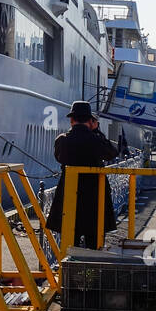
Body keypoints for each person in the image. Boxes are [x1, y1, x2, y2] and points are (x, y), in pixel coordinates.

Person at [47, 101, 120, 249]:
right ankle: (92, 270)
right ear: (90, 121)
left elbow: (59, 157)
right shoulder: (96, 140)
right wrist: (97, 132)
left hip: (69, 195)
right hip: (95, 197)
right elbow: (112, 152)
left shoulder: (62, 140)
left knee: (70, 242)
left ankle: (69, 269)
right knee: (94, 242)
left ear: (72, 120)